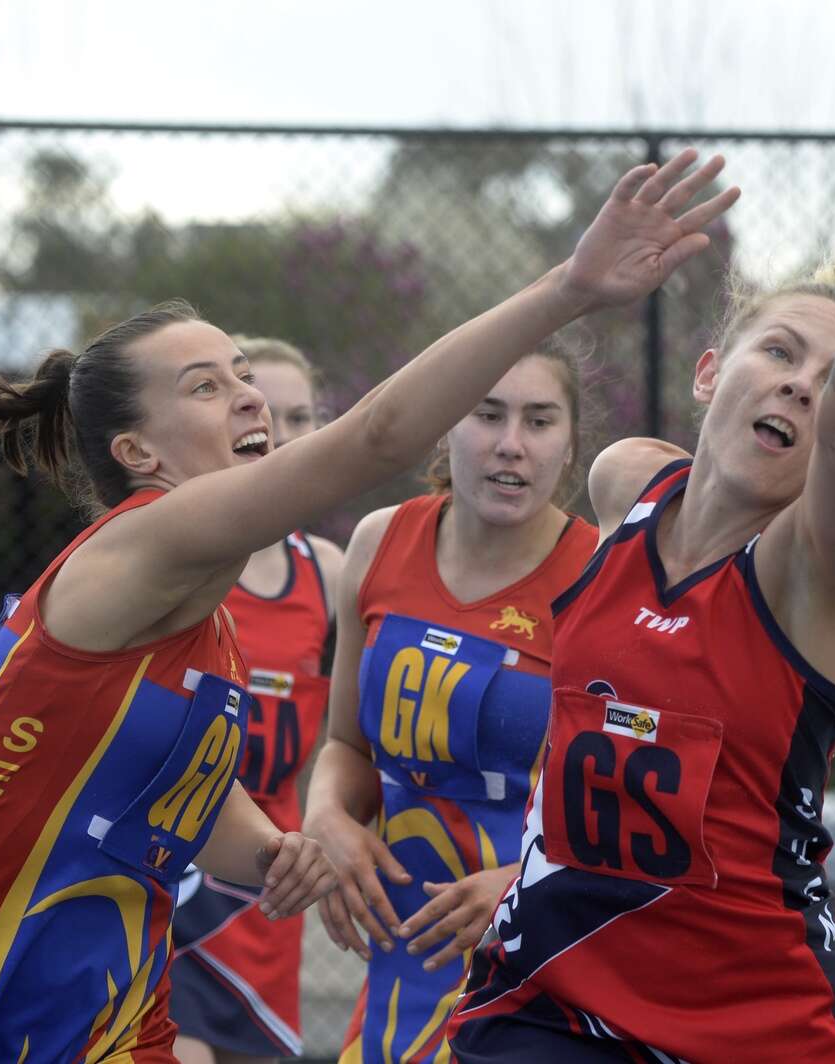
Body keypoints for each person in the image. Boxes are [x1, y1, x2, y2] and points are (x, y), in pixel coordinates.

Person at [0, 146, 738, 1064]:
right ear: (138, 455)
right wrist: (566, 290)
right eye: (206, 386)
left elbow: (179, 792)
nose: (248, 399)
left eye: (244, 375)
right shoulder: (142, 544)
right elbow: (375, 437)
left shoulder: (202, 615)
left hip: (107, 1016)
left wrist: (280, 849)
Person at [448, 14, 835, 1063]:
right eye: (777, 350)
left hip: (763, 1024)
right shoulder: (625, 482)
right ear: (707, 370)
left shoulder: (805, 574)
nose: (799, 382)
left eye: (826, 378)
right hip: (557, 996)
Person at [303, 340, 599, 1064]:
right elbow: (347, 743)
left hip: (534, 972)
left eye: (538, 421)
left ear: (570, 448)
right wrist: (327, 817)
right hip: (404, 966)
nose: (510, 445)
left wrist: (518, 885)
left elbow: (614, 818)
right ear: (445, 426)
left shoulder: (602, 576)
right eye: (486, 414)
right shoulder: (380, 542)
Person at [169, 337, 344, 1064]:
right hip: (178, 870)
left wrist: (340, 826)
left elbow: (346, 742)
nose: (281, 435)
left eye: (302, 417)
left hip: (271, 876)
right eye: (266, 414)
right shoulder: (179, 557)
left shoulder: (331, 573)